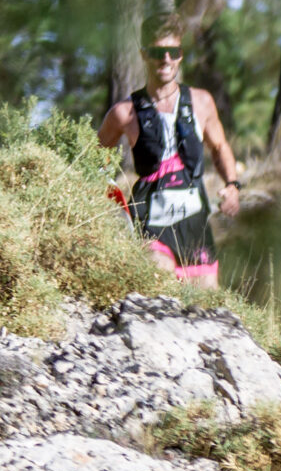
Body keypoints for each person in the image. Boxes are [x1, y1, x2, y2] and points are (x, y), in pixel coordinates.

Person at [98, 18, 241, 288]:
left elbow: (220, 147)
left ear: (180, 55)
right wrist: (106, 203)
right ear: (143, 55)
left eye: (172, 52)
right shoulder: (123, 113)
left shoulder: (201, 102)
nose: (165, 59)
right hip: (150, 223)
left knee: (205, 305)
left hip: (194, 222)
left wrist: (232, 185)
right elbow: (92, 158)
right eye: (156, 53)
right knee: (159, 290)